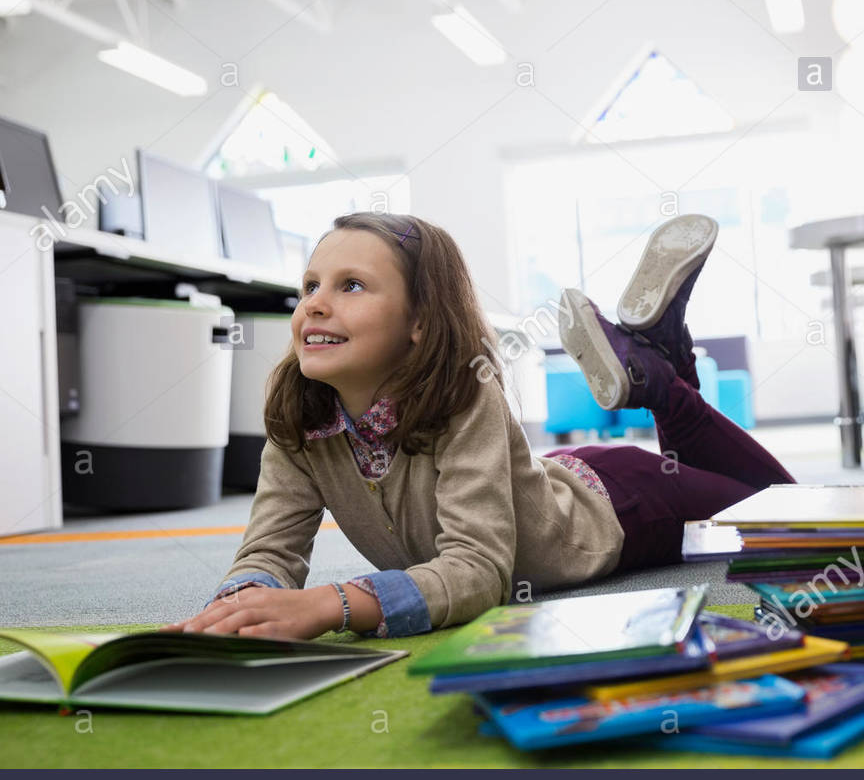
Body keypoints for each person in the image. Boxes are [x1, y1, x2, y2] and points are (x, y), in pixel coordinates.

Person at [164, 211, 794, 640]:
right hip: (555, 477)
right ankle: (663, 361)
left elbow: (476, 572)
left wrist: (332, 605)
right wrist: (235, 608)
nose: (315, 304)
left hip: (619, 506)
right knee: (772, 499)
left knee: (789, 510)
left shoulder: (465, 391)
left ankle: (661, 383)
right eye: (309, 286)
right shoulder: (299, 414)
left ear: (420, 322)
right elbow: (270, 550)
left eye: (351, 285)